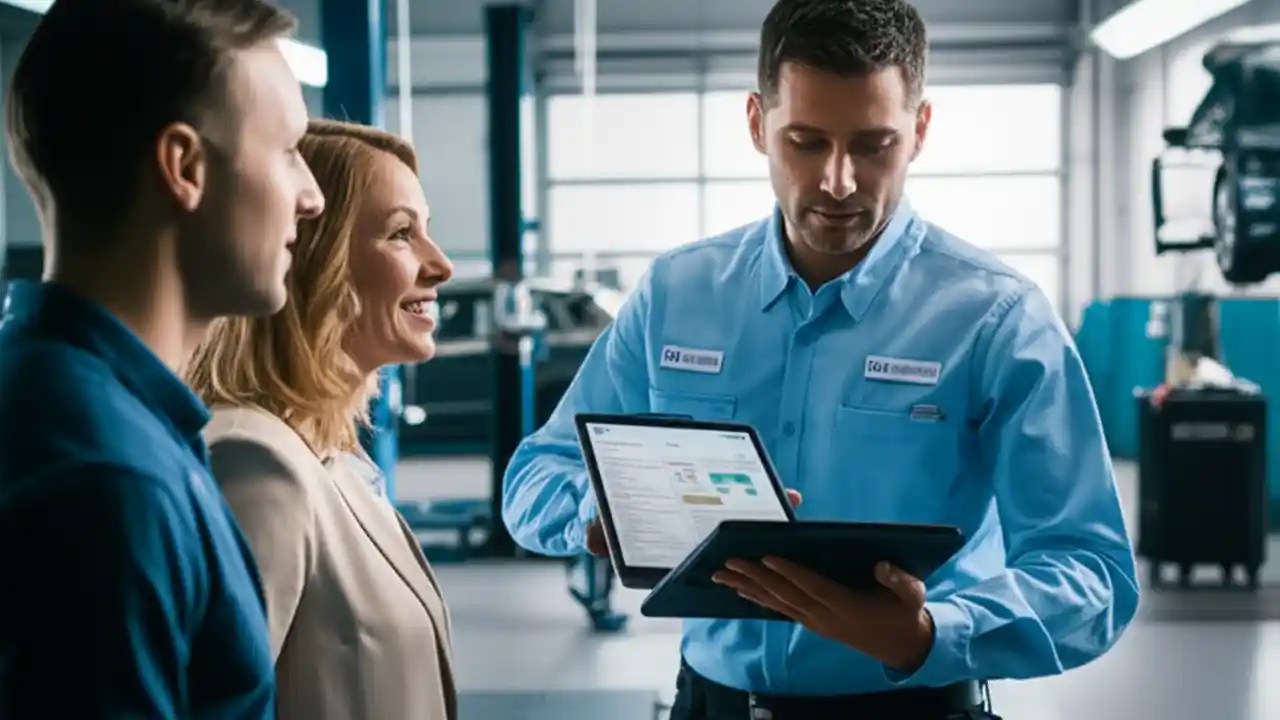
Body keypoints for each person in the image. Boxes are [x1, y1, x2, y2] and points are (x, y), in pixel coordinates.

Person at [502, 0, 1139, 717]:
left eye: (874, 145)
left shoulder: (996, 319)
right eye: (805, 142)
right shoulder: (676, 296)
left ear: (920, 130)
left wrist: (930, 633)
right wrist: (605, 511)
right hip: (712, 704)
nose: (838, 181)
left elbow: (1093, 575)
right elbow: (535, 477)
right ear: (756, 124)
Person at [0, 0, 324, 717]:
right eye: (289, 151)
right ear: (183, 166)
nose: (312, 196)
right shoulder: (109, 482)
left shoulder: (67, 403)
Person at [184, 119, 457, 720]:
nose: (441, 265)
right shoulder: (256, 466)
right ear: (312, 262)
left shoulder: (329, 458)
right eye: (400, 235)